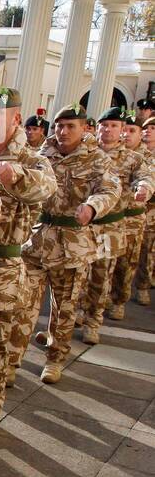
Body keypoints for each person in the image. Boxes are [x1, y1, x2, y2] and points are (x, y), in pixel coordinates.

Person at [0, 88, 56, 437]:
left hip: (1, 268)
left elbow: (46, 190)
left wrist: (16, 177)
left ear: (16, 119)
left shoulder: (32, 160)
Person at [13, 104, 121, 384]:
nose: (63, 131)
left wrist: (92, 207)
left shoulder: (96, 158)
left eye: (70, 126)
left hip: (73, 245)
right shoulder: (40, 155)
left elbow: (110, 189)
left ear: (84, 128)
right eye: (59, 125)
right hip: (37, 241)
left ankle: (55, 358)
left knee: (65, 307)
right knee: (24, 305)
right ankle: (12, 359)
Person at [78, 106, 150, 344]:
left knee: (101, 276)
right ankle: (77, 311)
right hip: (81, 227)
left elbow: (145, 176)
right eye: (104, 125)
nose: (108, 130)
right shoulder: (85, 153)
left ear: (121, 131)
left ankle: (93, 321)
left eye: (114, 126)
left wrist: (144, 188)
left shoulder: (133, 158)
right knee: (77, 276)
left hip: (109, 229)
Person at [105, 110, 154, 320]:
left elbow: (147, 179)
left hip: (133, 219)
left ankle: (119, 299)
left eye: (131, 130)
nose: (126, 134)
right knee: (103, 263)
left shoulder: (143, 158)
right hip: (109, 219)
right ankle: (96, 301)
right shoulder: (109, 154)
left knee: (126, 264)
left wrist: (144, 189)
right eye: (124, 130)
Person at [135, 116, 155, 306]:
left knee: (148, 249)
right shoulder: (136, 154)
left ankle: (143, 286)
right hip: (136, 209)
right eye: (146, 128)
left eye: (153, 128)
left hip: (152, 209)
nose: (148, 131)